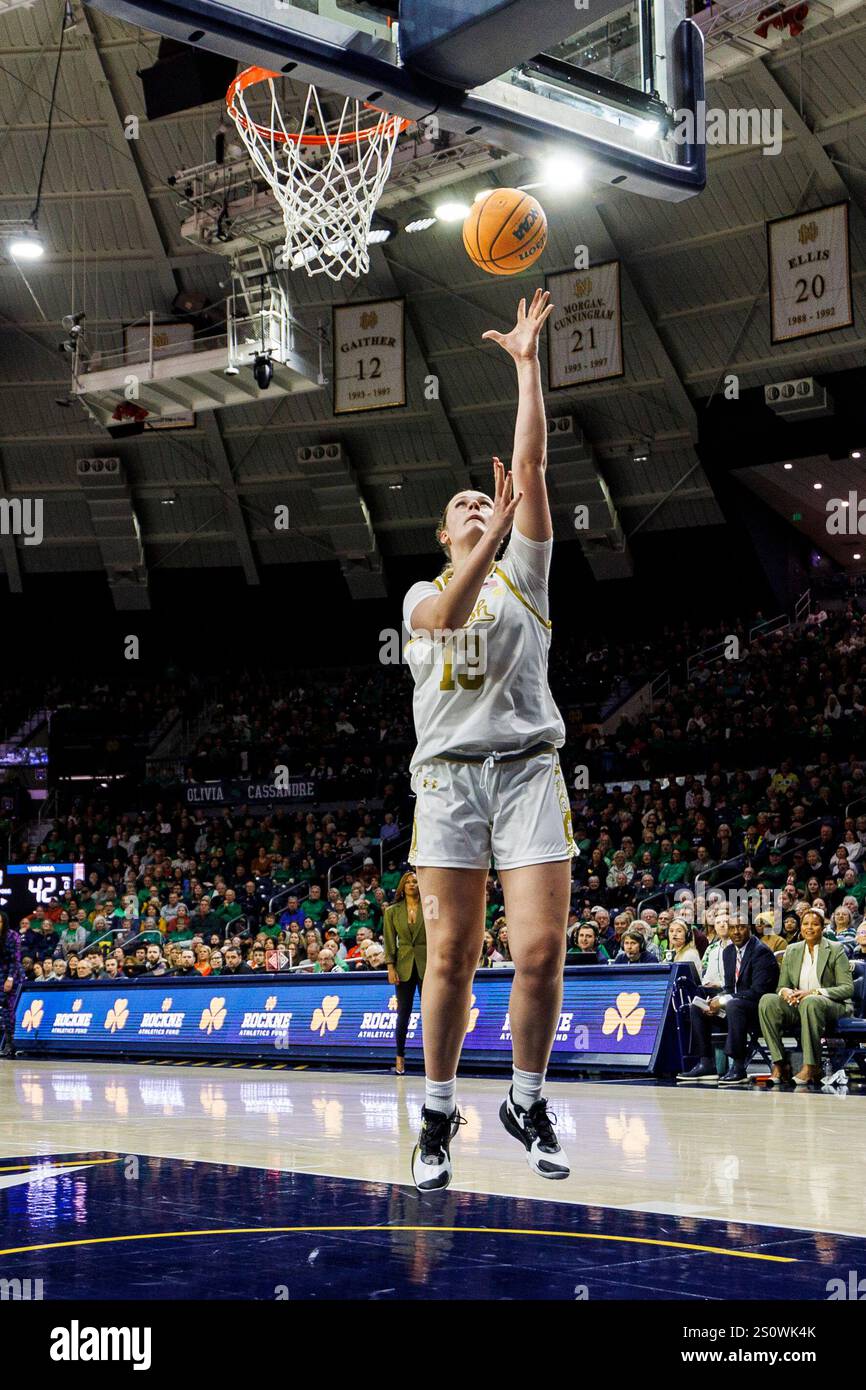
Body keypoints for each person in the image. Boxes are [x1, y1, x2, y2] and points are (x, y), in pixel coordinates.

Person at [404, 290, 572, 1191]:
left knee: (541, 950)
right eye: (463, 504)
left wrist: (524, 365)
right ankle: (436, 1115)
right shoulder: (420, 596)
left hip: (528, 773)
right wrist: (488, 538)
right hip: (448, 785)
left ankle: (526, 1098)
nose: (479, 502)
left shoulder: (528, 578)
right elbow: (446, 614)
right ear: (445, 533)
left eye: (484, 497)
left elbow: (533, 464)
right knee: (452, 955)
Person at [758, 907, 855, 1085]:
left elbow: (847, 989)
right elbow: (781, 986)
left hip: (833, 1005)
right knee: (767, 1000)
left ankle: (811, 1066)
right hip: (800, 1005)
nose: (809, 928)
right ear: (800, 927)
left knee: (810, 1001)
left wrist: (814, 992)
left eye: (815, 924)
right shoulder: (793, 949)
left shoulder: (835, 949)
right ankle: (780, 1063)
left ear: (822, 927)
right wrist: (786, 992)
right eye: (805, 924)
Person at [678, 918, 779, 1086]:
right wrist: (715, 1000)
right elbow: (731, 987)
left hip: (757, 1011)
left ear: (750, 928)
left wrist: (724, 1000)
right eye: (732, 928)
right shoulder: (729, 951)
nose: (736, 932)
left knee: (733, 1005)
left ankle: (739, 1067)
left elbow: (758, 991)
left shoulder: (761, 952)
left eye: (741, 927)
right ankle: (706, 1064)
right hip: (735, 1008)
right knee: (696, 1007)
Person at [383, 871, 427, 1075]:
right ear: (402, 886)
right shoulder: (392, 911)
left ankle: (433, 1059)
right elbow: (390, 941)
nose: (411, 884)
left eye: (415, 881)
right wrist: (390, 966)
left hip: (428, 964)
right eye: (408, 882)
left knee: (431, 1014)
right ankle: (399, 1057)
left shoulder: (429, 908)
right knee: (404, 1013)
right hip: (403, 966)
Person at [0, 915, 23, 1055]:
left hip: (12, 974)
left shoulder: (12, 936)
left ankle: (11, 1043)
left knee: (9, 1008)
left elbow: (15, 960)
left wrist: (10, 978)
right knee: (2, 1010)